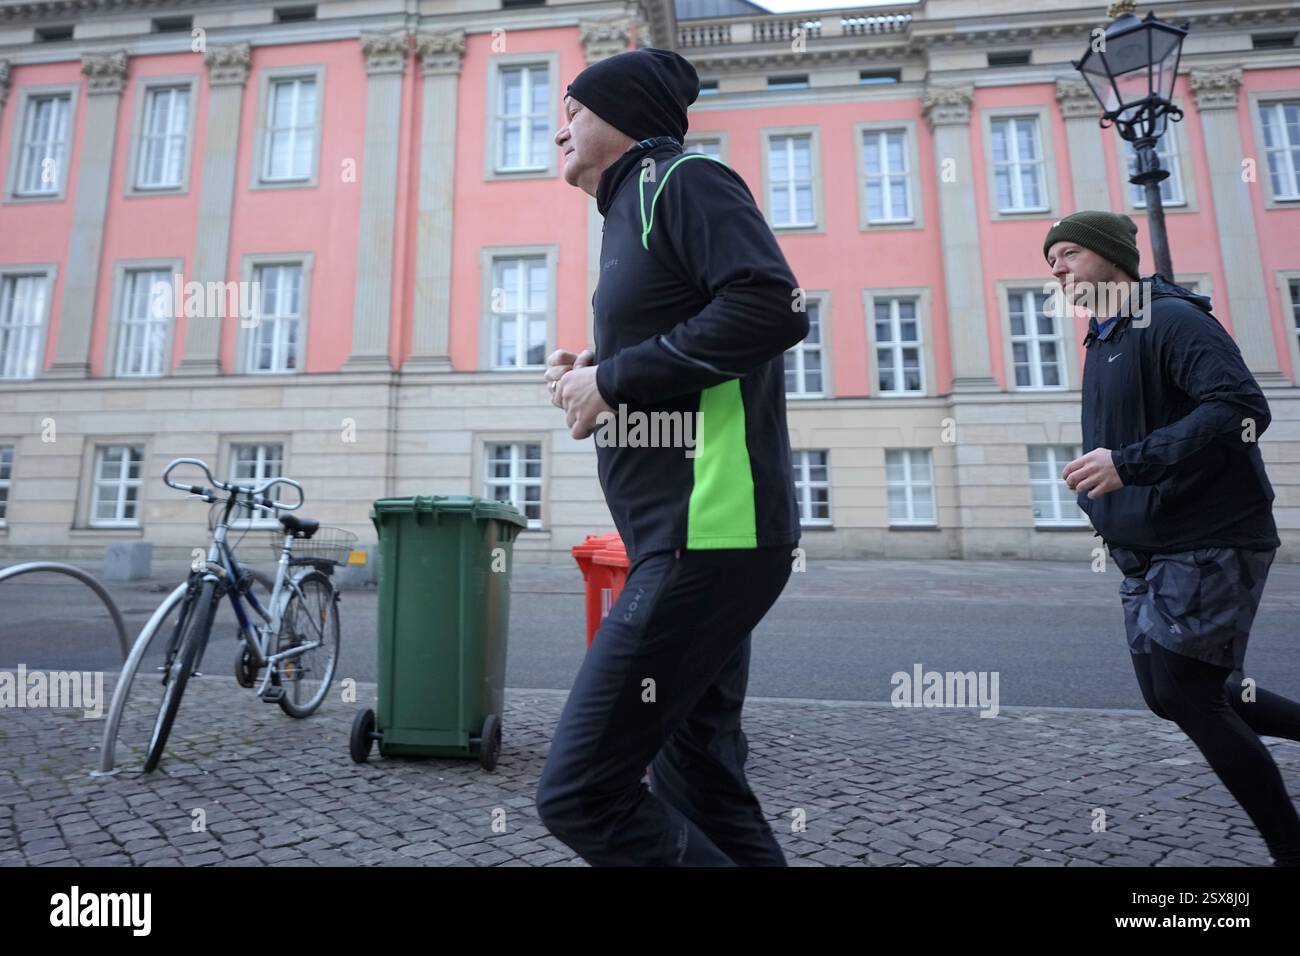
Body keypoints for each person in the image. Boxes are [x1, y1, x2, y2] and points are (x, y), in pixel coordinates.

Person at [534, 47, 808, 866]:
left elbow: (772, 305)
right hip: (691, 538)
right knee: (699, 778)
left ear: (621, 118)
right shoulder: (630, 209)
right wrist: (596, 366)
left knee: (581, 794)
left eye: (574, 110)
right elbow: (690, 340)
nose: (559, 129)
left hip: (706, 535)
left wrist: (614, 379)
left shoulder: (681, 181)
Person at [1046, 210, 1300, 866]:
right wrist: (1102, 501)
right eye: (1052, 259)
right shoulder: (1102, 339)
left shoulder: (1174, 319)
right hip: (1148, 546)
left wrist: (1130, 465)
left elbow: (1242, 408)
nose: (1056, 269)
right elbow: (1111, 445)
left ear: (1109, 256)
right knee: (1170, 695)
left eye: (1068, 253)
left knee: (1189, 691)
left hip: (1211, 534)